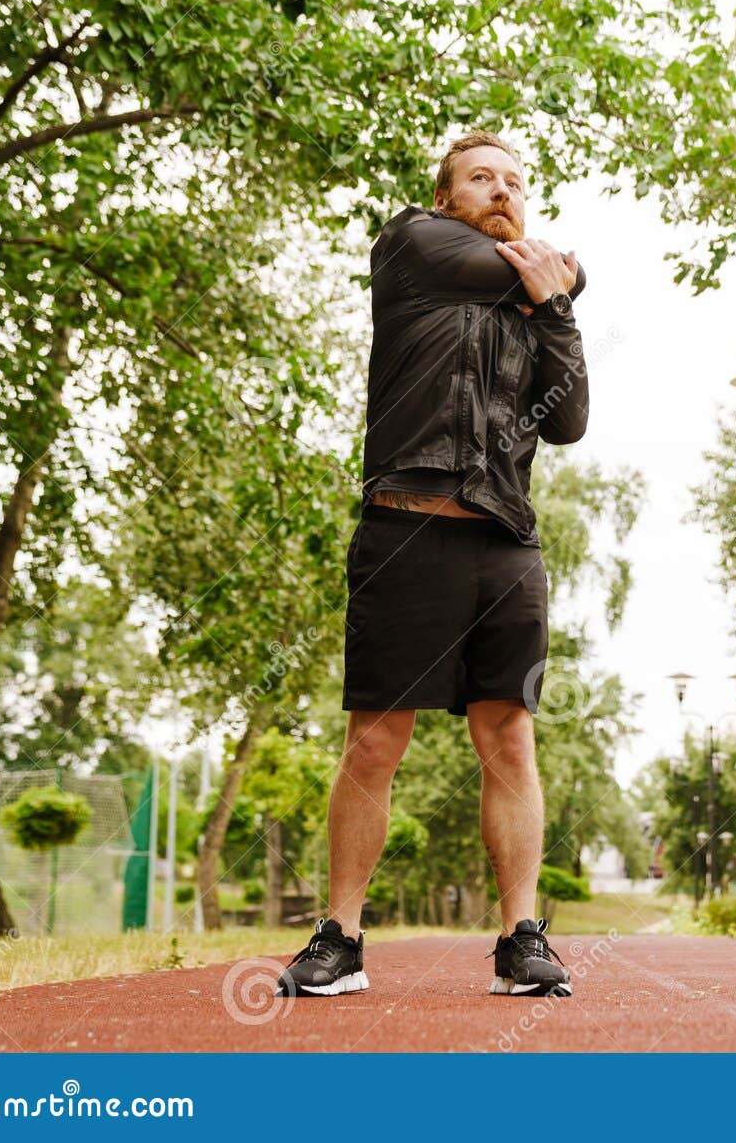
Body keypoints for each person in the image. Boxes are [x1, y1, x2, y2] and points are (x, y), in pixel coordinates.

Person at [279, 130, 588, 999]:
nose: (500, 190)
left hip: (505, 542)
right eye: (480, 179)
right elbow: (553, 265)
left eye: (515, 182)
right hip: (405, 529)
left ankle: (520, 939)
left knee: (509, 738)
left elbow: (569, 424)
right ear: (447, 199)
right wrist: (563, 273)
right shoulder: (410, 246)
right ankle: (339, 939)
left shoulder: (534, 311)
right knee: (375, 741)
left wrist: (557, 307)